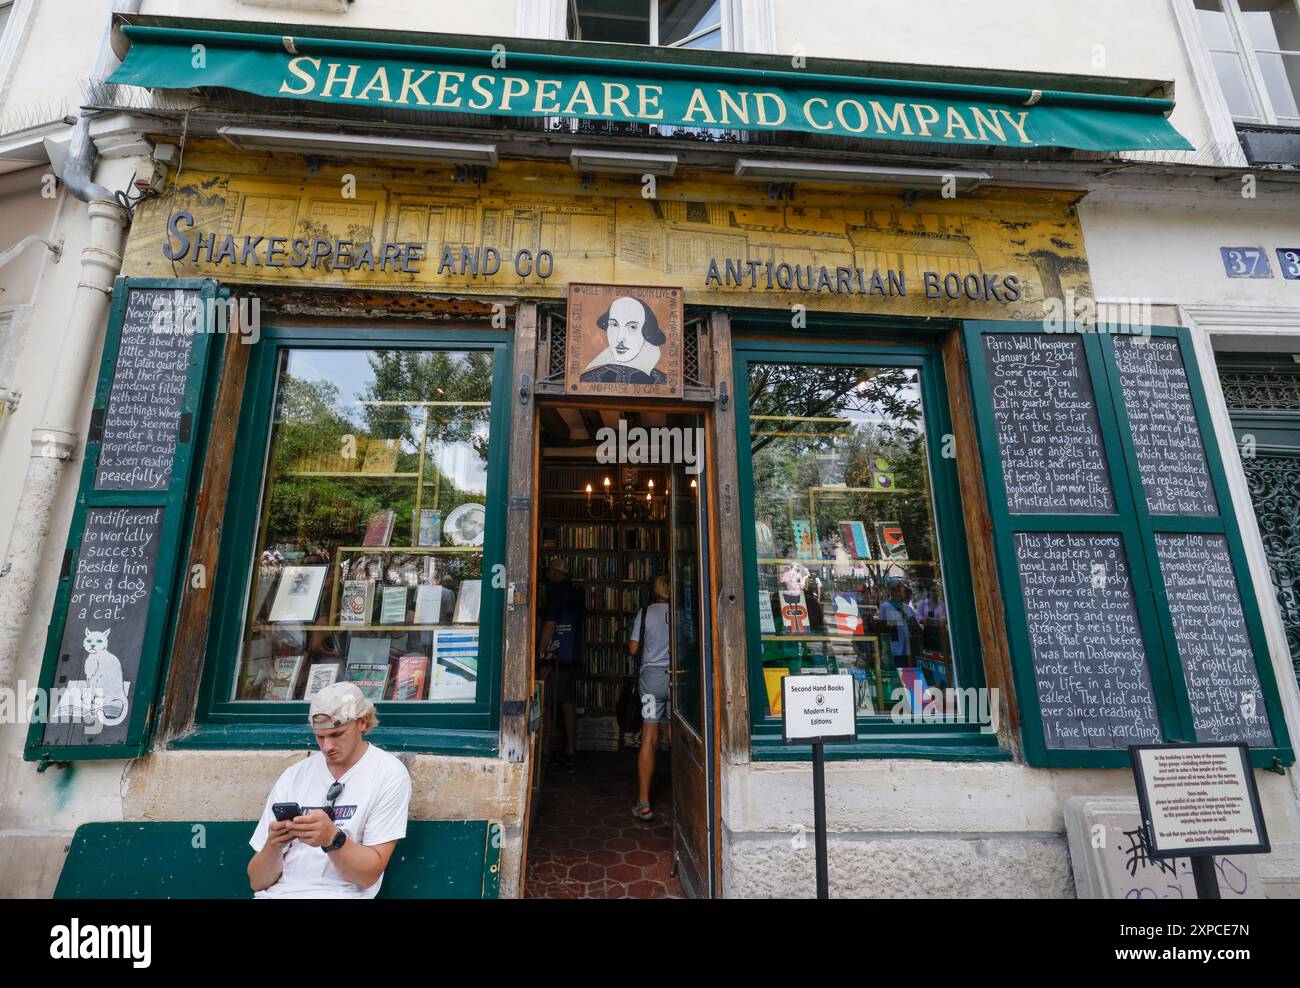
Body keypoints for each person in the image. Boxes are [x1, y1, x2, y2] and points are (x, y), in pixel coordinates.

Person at [247, 682, 412, 898]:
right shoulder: (294, 775)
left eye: (336, 735)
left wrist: (332, 839)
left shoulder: (388, 773)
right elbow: (257, 882)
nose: (327, 747)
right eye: (320, 737)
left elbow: (367, 876)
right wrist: (274, 845)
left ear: (362, 722)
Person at [630, 575, 672, 821]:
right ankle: (685, 794)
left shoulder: (645, 614)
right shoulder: (679, 613)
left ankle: (644, 800)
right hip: (677, 678)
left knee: (649, 736)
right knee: (679, 734)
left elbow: (634, 648)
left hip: (651, 680)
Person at [537, 557, 584, 769]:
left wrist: (541, 650)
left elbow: (550, 623)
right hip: (571, 654)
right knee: (568, 703)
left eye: (549, 571)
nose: (546, 575)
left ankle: (544, 751)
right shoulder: (575, 593)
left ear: (557, 572)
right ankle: (571, 751)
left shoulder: (556, 594)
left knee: (545, 704)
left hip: (554, 656)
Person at [579, 296, 668, 385]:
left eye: (632, 327)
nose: (620, 338)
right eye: (614, 324)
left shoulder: (661, 381)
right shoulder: (588, 380)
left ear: (647, 331)